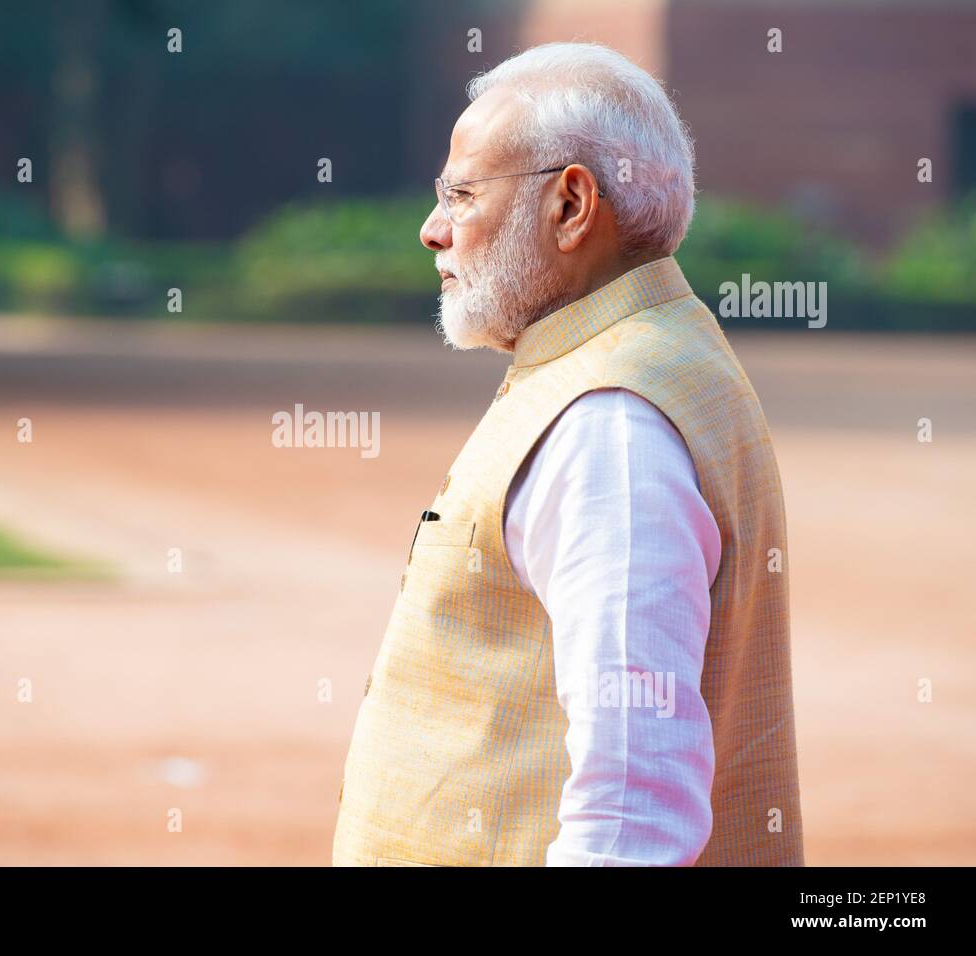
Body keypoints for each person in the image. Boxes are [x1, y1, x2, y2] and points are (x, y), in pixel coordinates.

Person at [332, 41, 803, 867]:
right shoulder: (638, 360)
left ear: (572, 206)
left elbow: (633, 807)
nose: (432, 229)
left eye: (462, 194)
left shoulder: (610, 424)